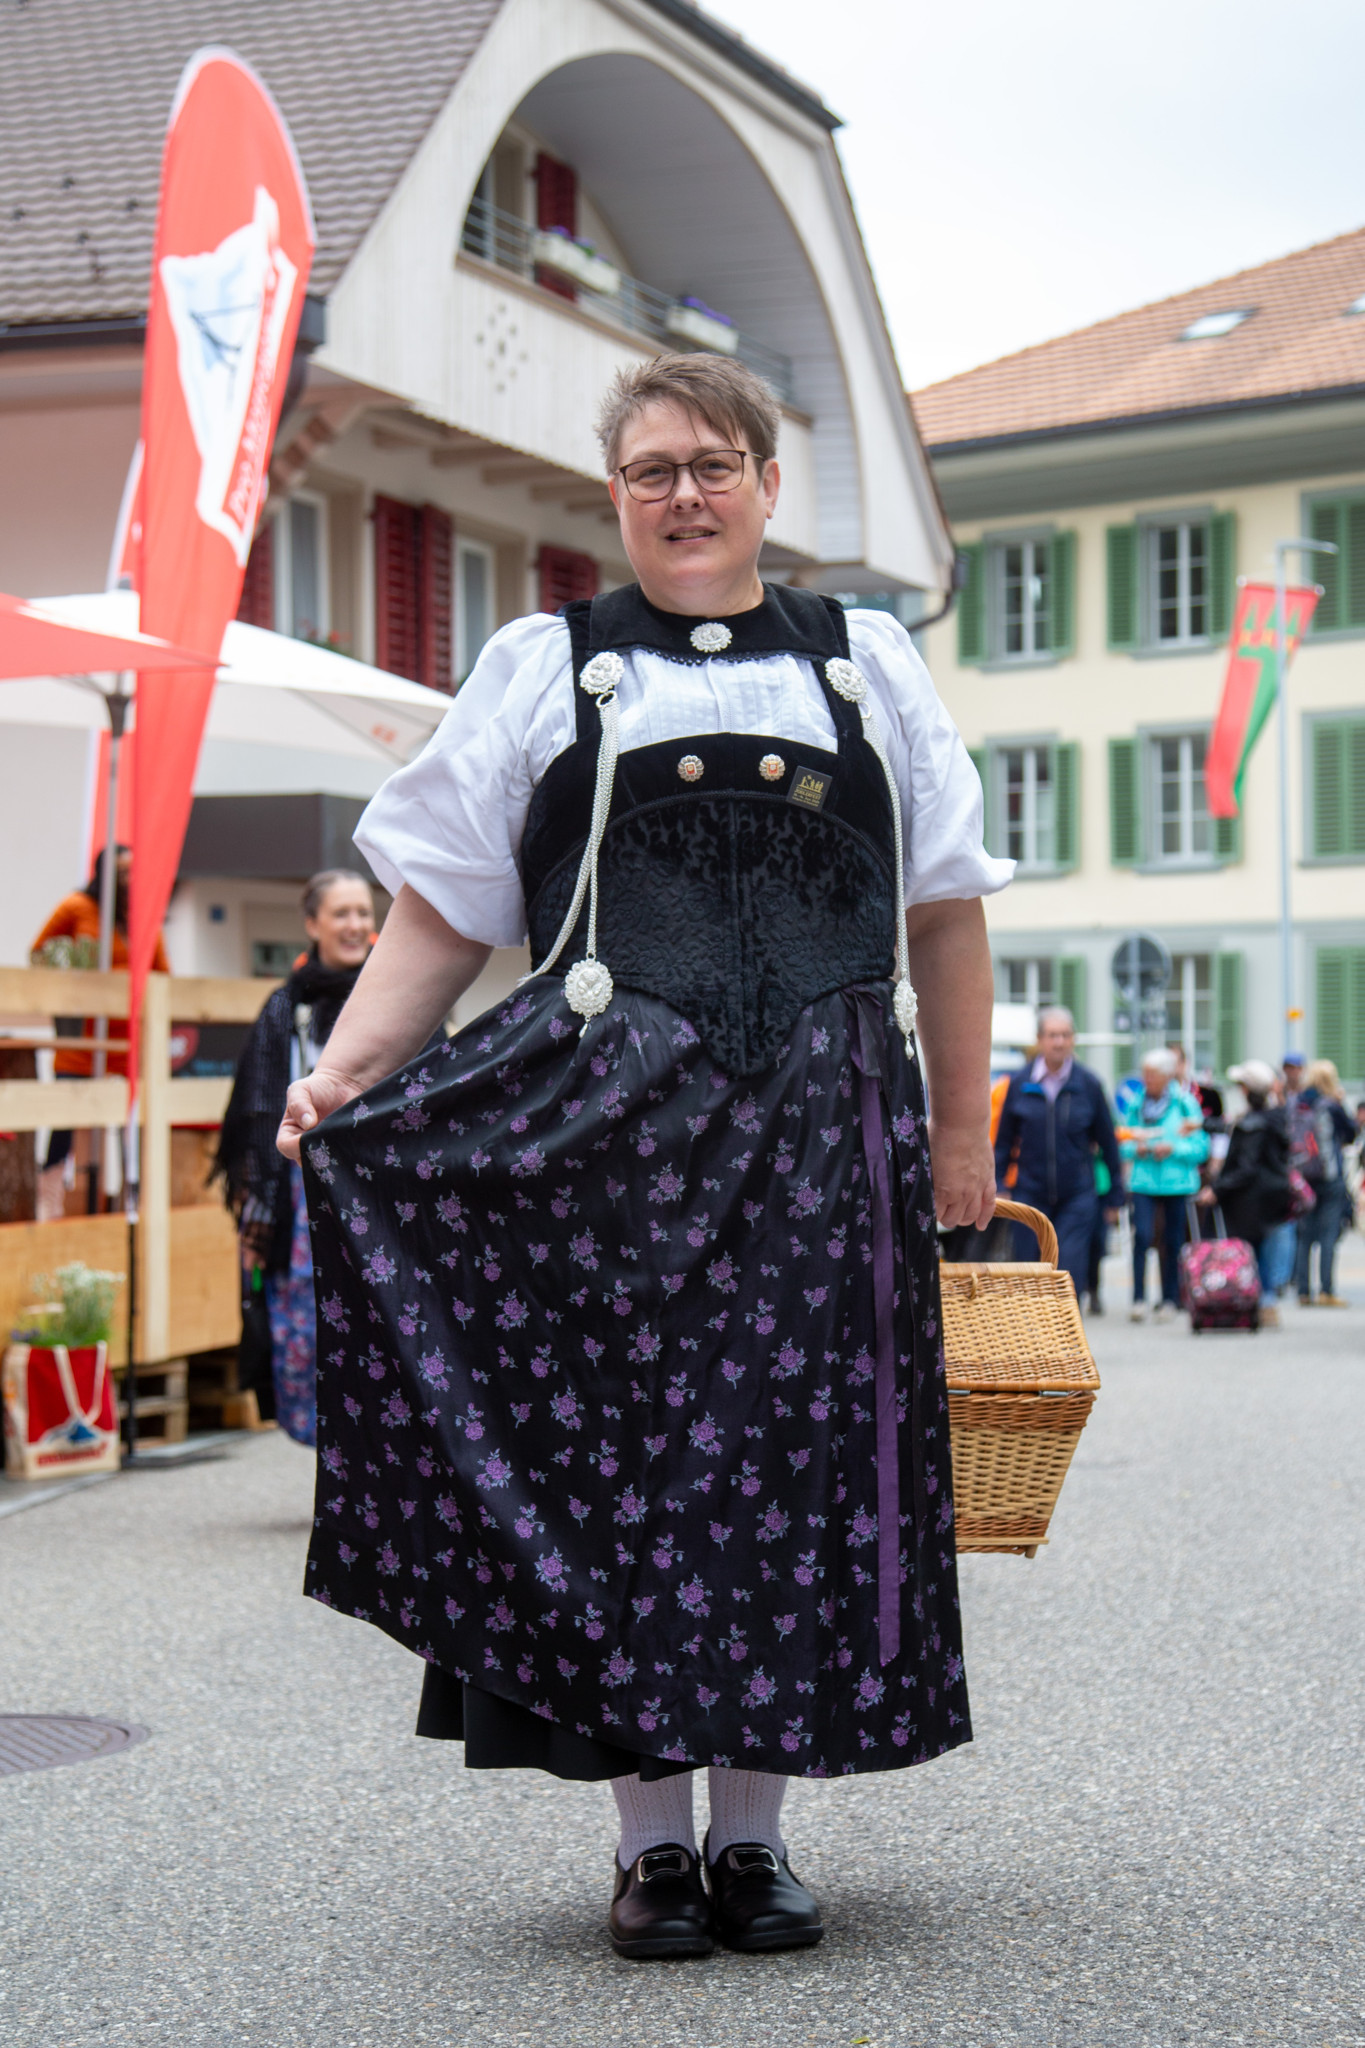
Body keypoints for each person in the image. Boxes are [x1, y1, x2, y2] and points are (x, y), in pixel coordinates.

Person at [276, 353, 1008, 1961]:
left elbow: (944, 910)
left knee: (793, 1473)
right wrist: (341, 1078)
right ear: (615, 496)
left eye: (714, 463)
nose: (685, 493)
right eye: (653, 469)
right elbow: (443, 916)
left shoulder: (864, 663)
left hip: (826, 1144)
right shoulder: (550, 667)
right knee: (635, 1473)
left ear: (763, 485)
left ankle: (753, 1842)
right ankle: (649, 1850)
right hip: (613, 1151)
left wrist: (962, 1130)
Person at [215, 870, 377, 1443]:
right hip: (301, 1198)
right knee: (305, 1336)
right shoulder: (287, 1008)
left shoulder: (396, 1001)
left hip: (377, 1196)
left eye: (364, 912)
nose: (356, 925)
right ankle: (328, 1460)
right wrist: (256, 1212)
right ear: (312, 924)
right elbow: (257, 1112)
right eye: (342, 913)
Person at [30, 845, 169, 1217]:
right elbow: (40, 952)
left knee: (133, 1124)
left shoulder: (145, 918)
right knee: (65, 1120)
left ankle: (134, 1200)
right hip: (83, 1040)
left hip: (129, 1043)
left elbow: (162, 974)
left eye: (134, 871)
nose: (130, 879)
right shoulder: (77, 907)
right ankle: (50, 1200)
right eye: (122, 871)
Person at [992, 1007, 1124, 1298]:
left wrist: (1116, 1195)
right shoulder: (1019, 1083)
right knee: (1029, 1273)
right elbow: (1003, 1142)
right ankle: (1034, 1338)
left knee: (1067, 1273)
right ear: (1040, 1039)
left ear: (1073, 1040)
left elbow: (1108, 1142)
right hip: (1030, 1194)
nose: (1059, 1042)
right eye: (1053, 1035)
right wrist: (1000, 1184)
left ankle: (1065, 1340)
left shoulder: (1088, 1084)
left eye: (1065, 1035)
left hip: (1077, 1196)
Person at [1120, 1047, 1209, 1322]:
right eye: (1145, 1074)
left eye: (1153, 1075)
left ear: (1168, 1075)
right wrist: (1139, 1149)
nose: (1148, 1080)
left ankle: (1170, 1297)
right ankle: (1138, 1299)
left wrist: (1173, 1148)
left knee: (1173, 1240)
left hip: (1177, 1183)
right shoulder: (1136, 1103)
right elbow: (1123, 1143)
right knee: (1142, 1236)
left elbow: (1200, 1148)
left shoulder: (1185, 1103)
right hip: (1144, 1181)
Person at [1200, 1059, 1291, 1325]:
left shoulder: (1253, 1124)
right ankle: (1266, 1301)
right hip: (1273, 1194)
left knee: (1251, 1250)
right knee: (1266, 1248)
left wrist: (1217, 1188)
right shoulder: (1276, 1117)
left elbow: (1246, 1167)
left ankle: (1258, 1302)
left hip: (1250, 1199)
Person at [1292, 1059, 1354, 1307]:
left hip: (1304, 1177)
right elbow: (1350, 1133)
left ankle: (1304, 1291)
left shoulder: (1299, 1103)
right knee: (1328, 1234)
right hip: (1329, 1176)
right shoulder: (1331, 1105)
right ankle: (1327, 1289)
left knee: (1305, 1234)